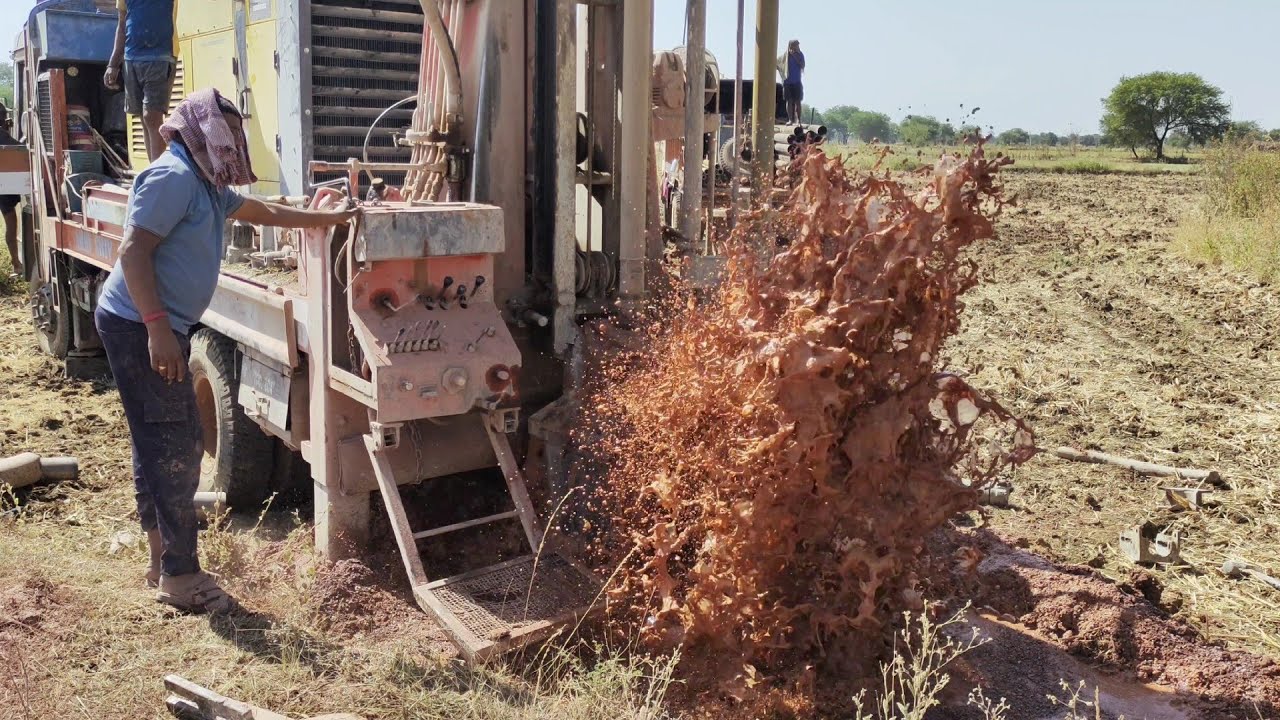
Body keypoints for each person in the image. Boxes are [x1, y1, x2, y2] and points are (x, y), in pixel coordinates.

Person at [94, 89, 358, 613]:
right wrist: (157, 330)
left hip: (161, 323)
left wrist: (324, 220)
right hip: (137, 325)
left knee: (158, 442)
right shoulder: (172, 179)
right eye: (225, 133)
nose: (232, 144)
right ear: (199, 132)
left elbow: (260, 209)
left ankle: (160, 560)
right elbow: (133, 252)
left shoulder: (207, 183)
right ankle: (180, 575)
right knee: (177, 447)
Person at [104, 0, 179, 162]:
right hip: (131, 57)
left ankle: (159, 174)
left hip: (161, 55)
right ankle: (155, 168)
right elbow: (122, 24)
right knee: (144, 119)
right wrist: (113, 63)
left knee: (151, 115)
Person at [0, 104, 22, 277]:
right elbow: (20, 149)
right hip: (4, 188)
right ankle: (16, 263)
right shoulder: (4, 137)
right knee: (10, 224)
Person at [778, 39, 806, 125]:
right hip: (787, 82)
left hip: (797, 81)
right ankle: (790, 120)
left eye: (798, 45)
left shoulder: (800, 55)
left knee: (798, 101)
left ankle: (799, 120)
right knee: (789, 101)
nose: (798, 47)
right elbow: (777, 64)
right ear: (791, 46)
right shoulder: (785, 56)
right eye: (796, 45)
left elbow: (802, 65)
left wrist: (795, 56)